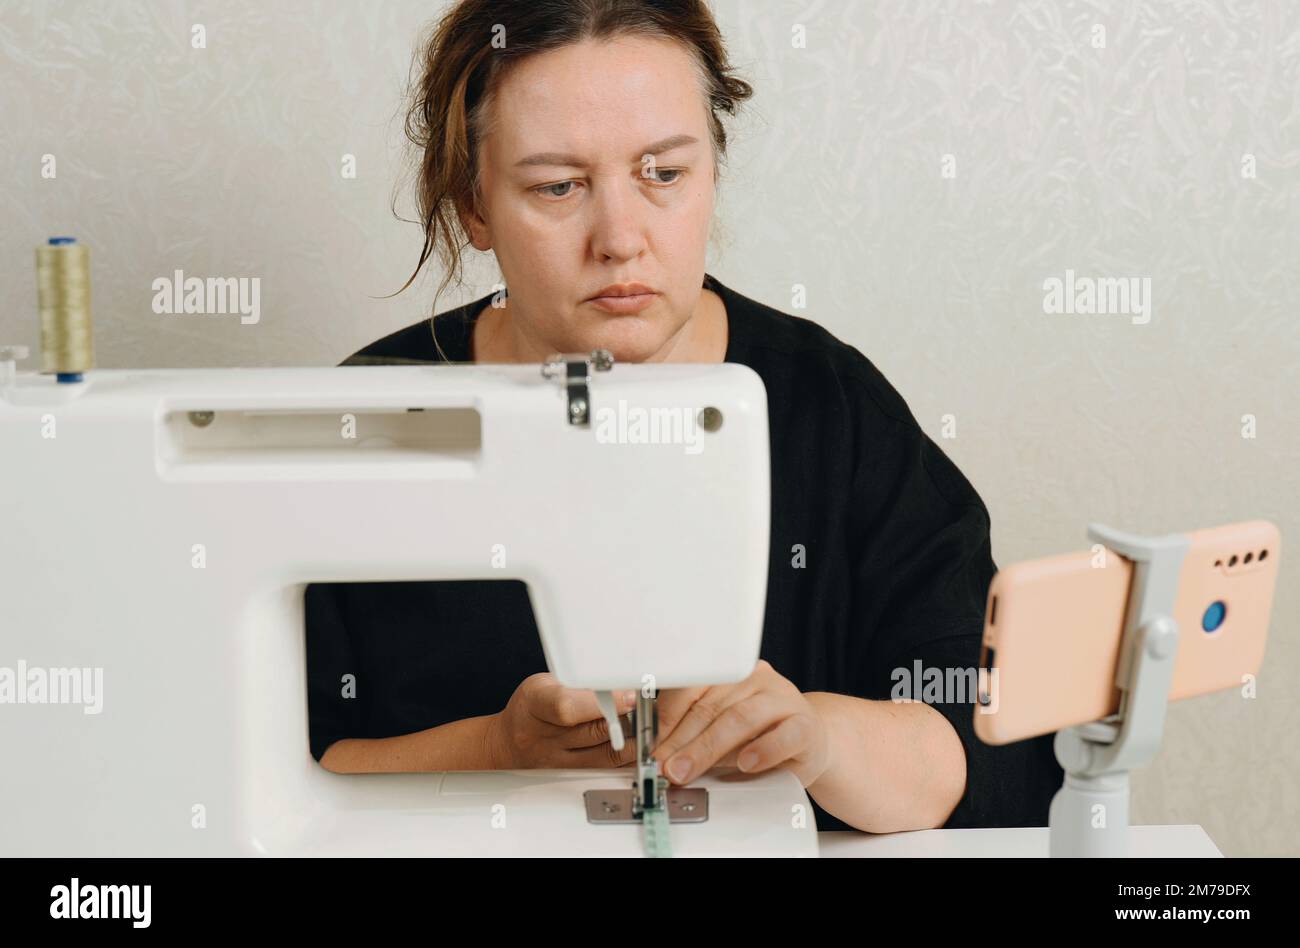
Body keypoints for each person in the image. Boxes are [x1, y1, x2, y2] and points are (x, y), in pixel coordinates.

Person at [306, 0, 1063, 834]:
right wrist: (494, 748)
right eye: (557, 187)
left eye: (664, 173)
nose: (620, 238)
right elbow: (262, 756)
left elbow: (987, 738)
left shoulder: (830, 408)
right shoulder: (372, 418)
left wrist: (817, 740)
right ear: (473, 205)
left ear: (713, 169)